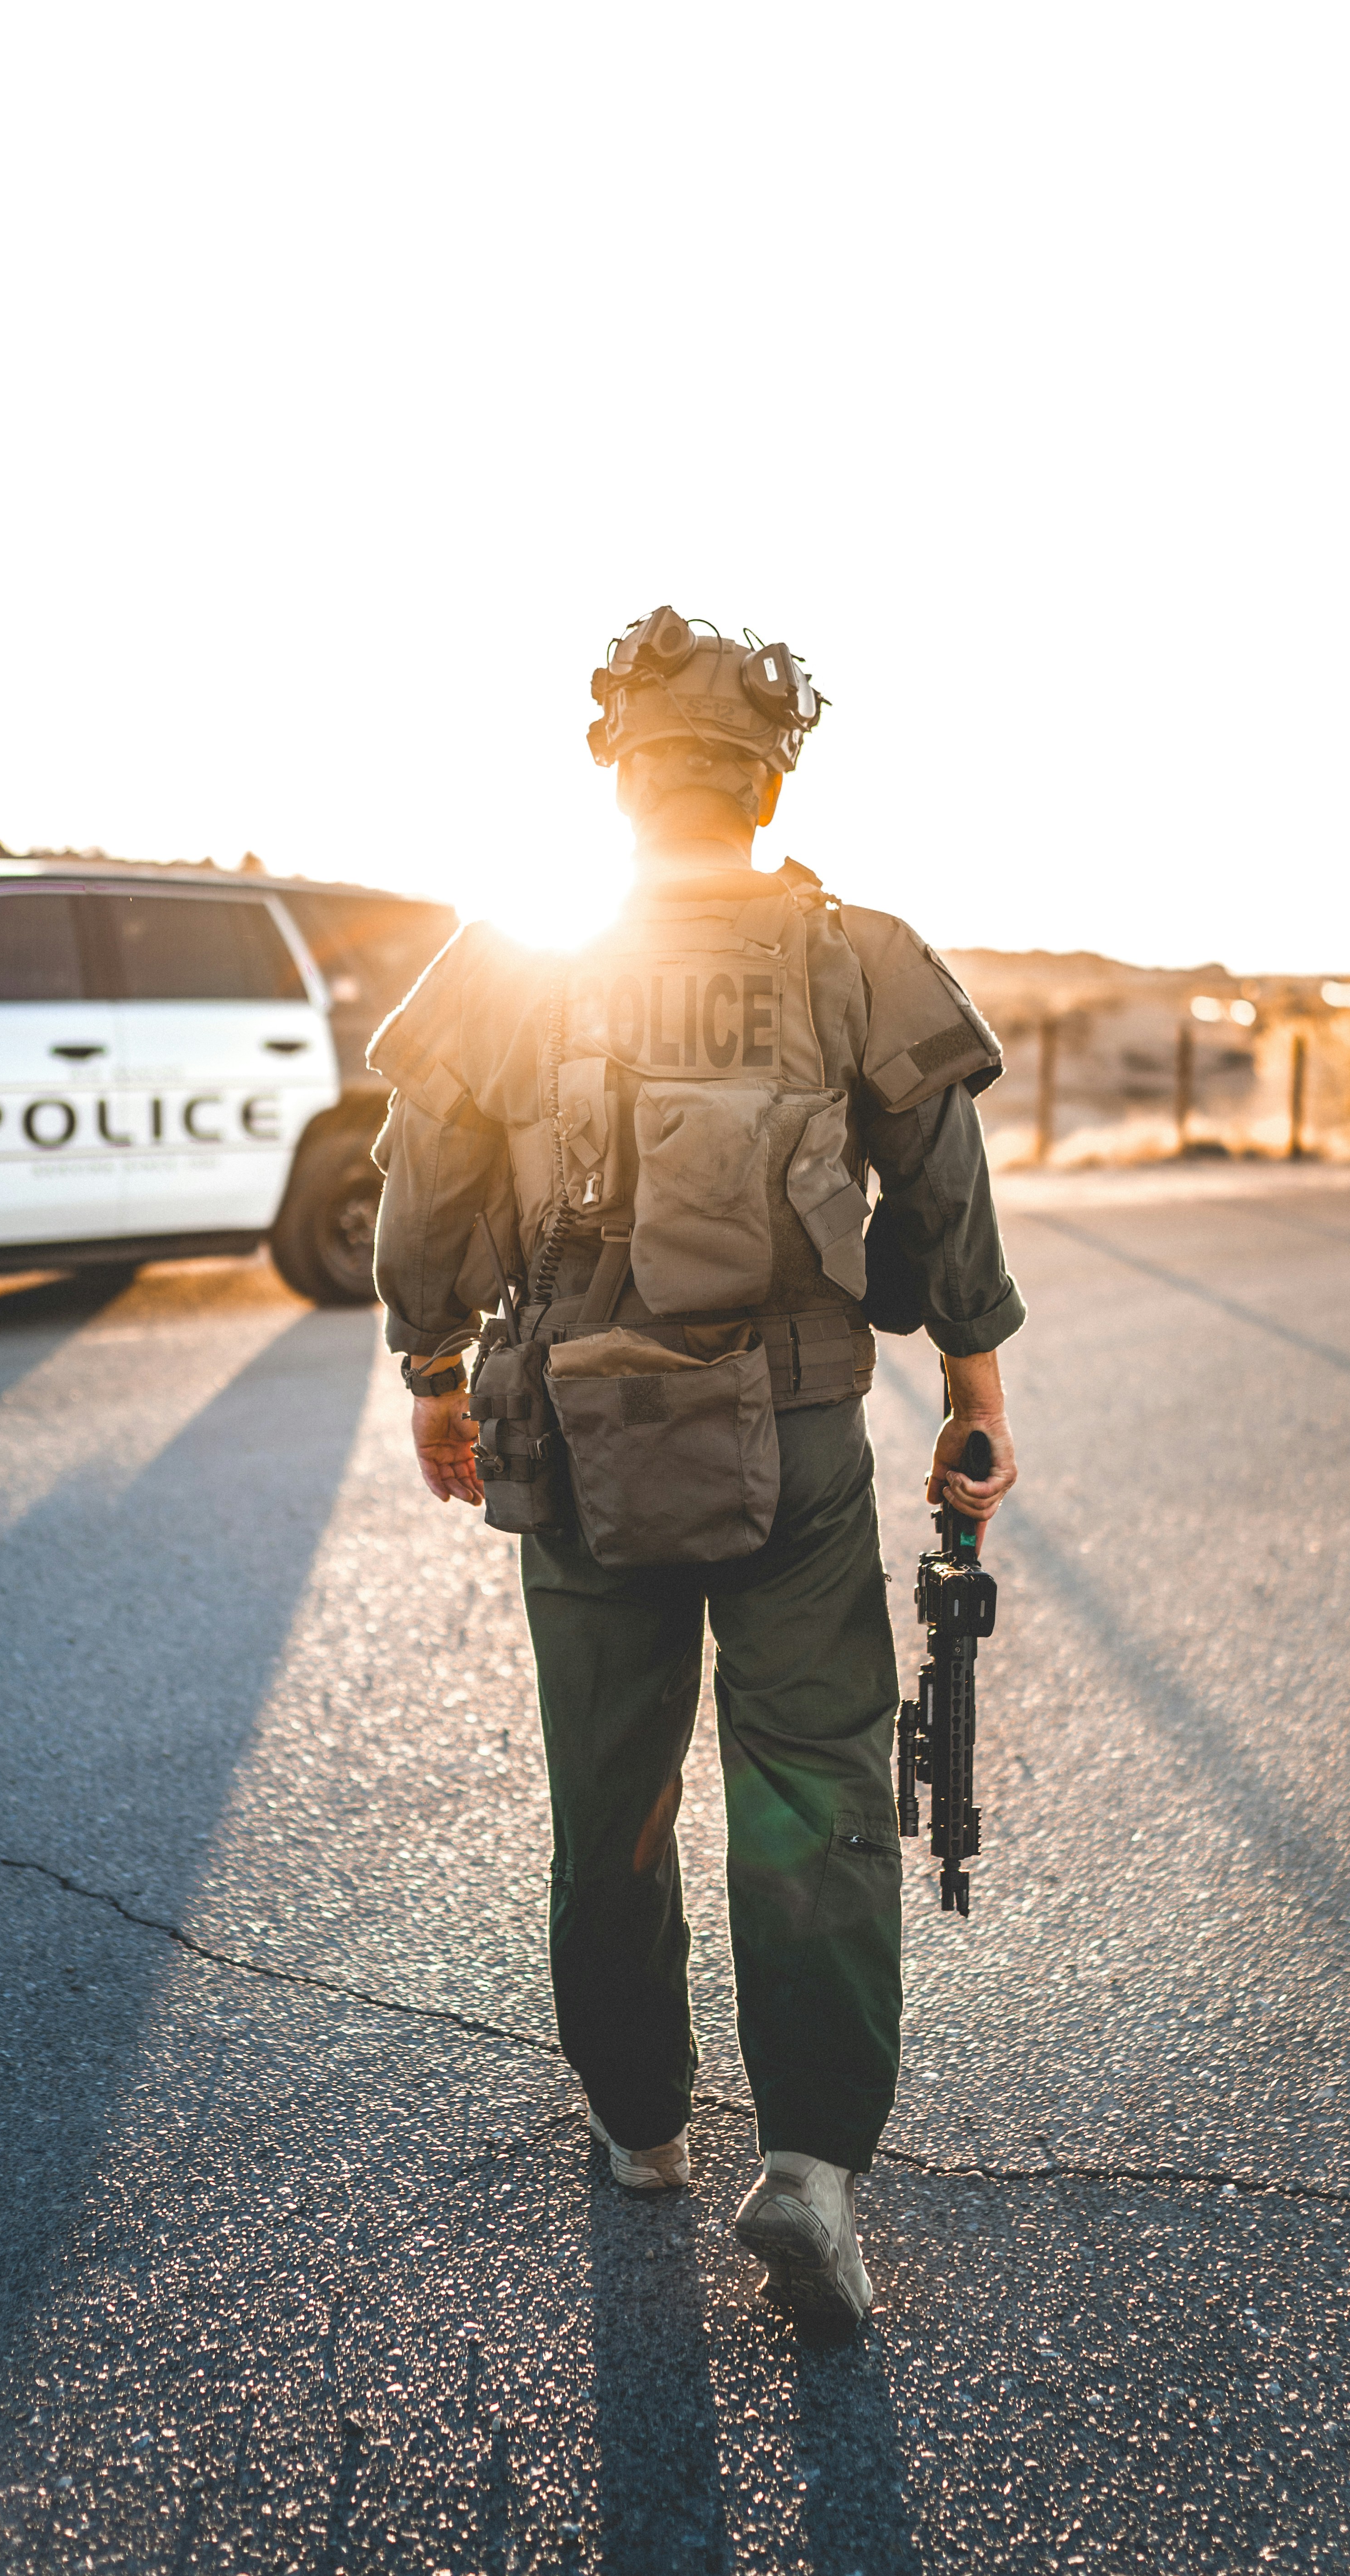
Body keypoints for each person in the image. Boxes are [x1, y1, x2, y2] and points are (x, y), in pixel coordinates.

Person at [368, 609, 1023, 2331]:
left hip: (581, 1446)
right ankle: (809, 2164)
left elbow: (423, 1189)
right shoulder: (856, 955)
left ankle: (642, 2127)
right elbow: (945, 1201)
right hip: (797, 1441)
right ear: (769, 773)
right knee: (808, 1790)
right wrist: (973, 1395)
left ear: (617, 768)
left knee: (614, 1797)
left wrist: (437, 1373)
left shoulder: (511, 964)